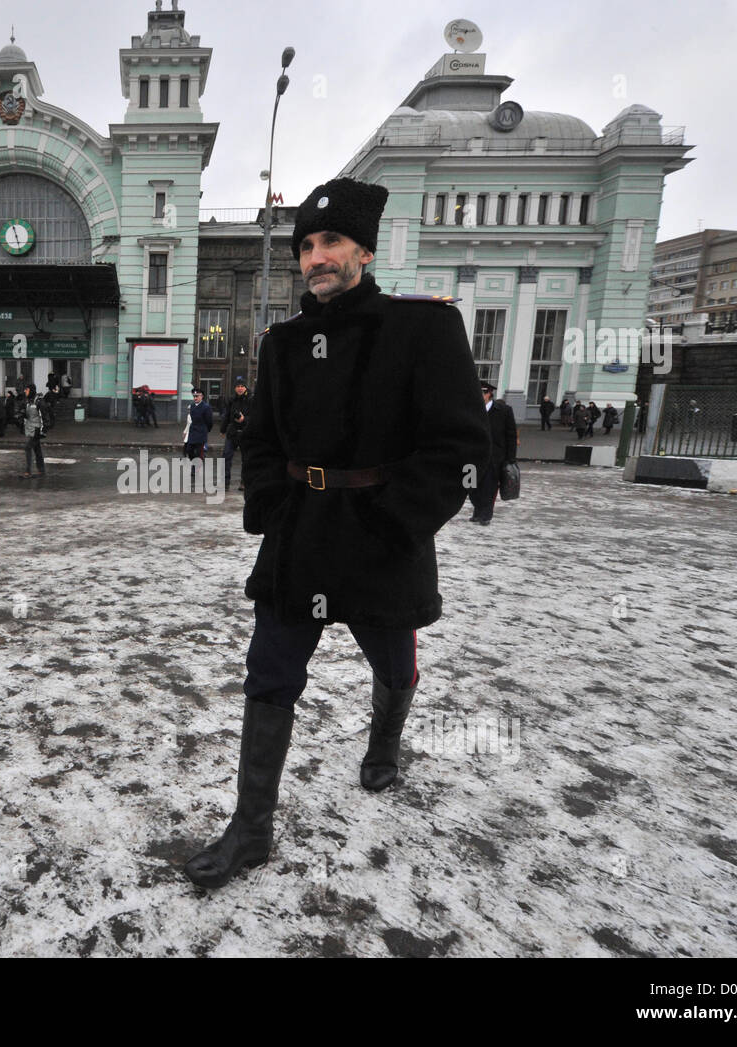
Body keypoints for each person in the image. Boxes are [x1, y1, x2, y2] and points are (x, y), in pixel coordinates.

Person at [183, 177, 490, 890]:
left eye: (331, 242)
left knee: (393, 667)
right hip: (301, 536)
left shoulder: (423, 328)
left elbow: (459, 448)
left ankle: (385, 739)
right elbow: (259, 438)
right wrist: (267, 502)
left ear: (364, 249)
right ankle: (250, 829)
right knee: (270, 673)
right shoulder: (284, 343)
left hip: (383, 541)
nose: (317, 257)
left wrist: (393, 521)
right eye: (307, 246)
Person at [469, 381, 518, 526]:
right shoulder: (471, 409)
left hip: (493, 457)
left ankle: (485, 515)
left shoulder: (504, 411)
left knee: (488, 487)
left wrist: (510, 458)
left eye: (482, 393)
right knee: (470, 486)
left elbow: (511, 435)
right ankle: (478, 510)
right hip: (472, 457)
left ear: (489, 394)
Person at [221, 376, 252, 493]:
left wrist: (244, 419)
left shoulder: (251, 399)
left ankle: (244, 482)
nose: (240, 388)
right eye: (238, 386)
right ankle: (225, 483)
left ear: (245, 387)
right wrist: (223, 430)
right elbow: (227, 415)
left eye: (242, 386)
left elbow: (256, 417)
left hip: (246, 433)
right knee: (226, 457)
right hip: (232, 432)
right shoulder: (231, 400)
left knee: (246, 459)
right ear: (235, 388)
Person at [184, 387, 214, 492]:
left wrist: (206, 430)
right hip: (193, 431)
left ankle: (196, 468)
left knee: (199, 452)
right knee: (189, 450)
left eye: (197, 396)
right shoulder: (192, 406)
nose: (195, 398)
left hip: (201, 432)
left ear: (202, 396)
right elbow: (191, 419)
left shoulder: (206, 407)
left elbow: (209, 421)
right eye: (194, 396)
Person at [20, 384, 46, 478]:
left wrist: (43, 430)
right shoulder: (27, 401)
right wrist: (21, 414)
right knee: (37, 449)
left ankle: (28, 472)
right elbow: (26, 415)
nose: (25, 391)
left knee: (27, 448)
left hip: (36, 429)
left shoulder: (38, 401)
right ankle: (41, 470)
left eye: (26, 389)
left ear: (31, 390)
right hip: (30, 429)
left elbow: (44, 416)